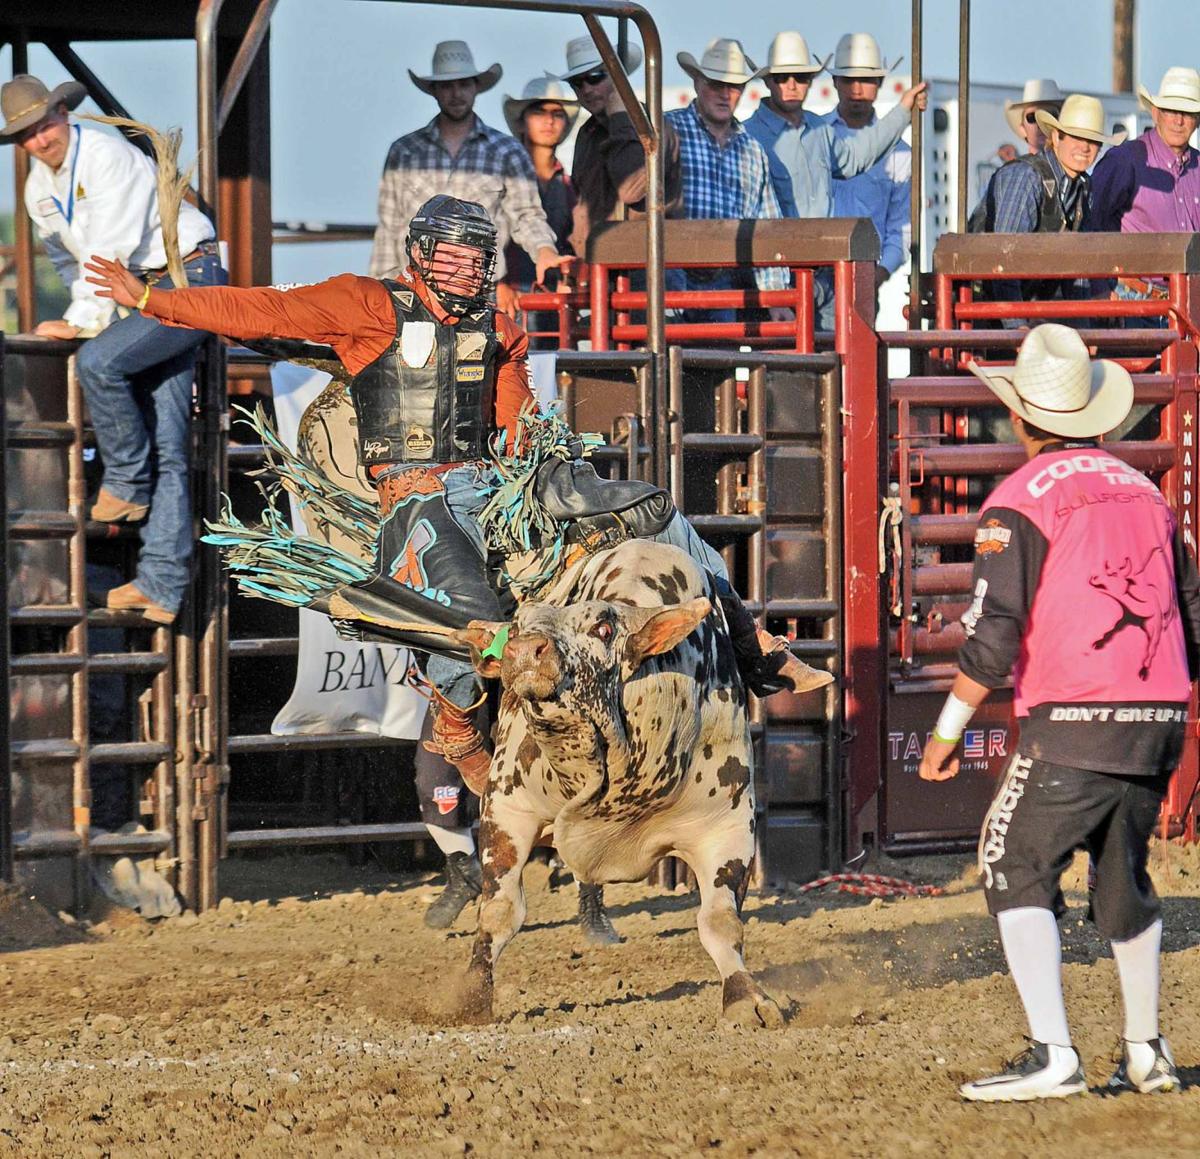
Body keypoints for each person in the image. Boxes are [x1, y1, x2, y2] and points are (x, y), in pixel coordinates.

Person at [84, 196, 832, 924]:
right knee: (473, 622)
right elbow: (257, 312)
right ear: (419, 256)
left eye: (478, 255)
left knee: (651, 507)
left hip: (493, 488)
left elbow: (514, 420)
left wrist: (546, 463)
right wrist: (151, 296)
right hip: (415, 498)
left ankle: (751, 642)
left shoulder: (498, 328)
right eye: (455, 254)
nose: (468, 267)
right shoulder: (365, 304)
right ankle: (468, 740)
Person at [920, 324, 1197, 1102]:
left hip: (1078, 712)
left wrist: (946, 732)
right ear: (1096, 416)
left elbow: (992, 636)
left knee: (1012, 857)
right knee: (1121, 872)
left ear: (1021, 418)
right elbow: (1192, 608)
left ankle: (1054, 1051)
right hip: (1160, 711)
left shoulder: (1018, 503)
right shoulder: (1146, 491)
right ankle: (1146, 1048)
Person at [2, 73, 225, 625]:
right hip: (150, 291)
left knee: (99, 363)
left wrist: (81, 322)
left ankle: (125, 480)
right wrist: (88, 312)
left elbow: (107, 251)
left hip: (185, 279)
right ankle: (162, 583)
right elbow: (65, 258)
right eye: (25, 135)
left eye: (43, 124)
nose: (38, 140)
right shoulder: (38, 189)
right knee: (170, 441)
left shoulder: (105, 155)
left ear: (61, 114)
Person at [367, 40, 569, 318]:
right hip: (415, 295)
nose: (456, 93)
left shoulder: (507, 152)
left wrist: (544, 250)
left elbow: (527, 216)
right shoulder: (404, 152)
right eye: (448, 86)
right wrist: (379, 292)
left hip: (481, 295)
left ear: (476, 87)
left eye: (463, 84)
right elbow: (389, 230)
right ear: (435, 91)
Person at [743, 31, 926, 328]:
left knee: (840, 363)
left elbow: (856, 158)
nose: (792, 85)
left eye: (801, 77)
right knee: (791, 366)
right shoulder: (750, 136)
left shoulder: (820, 129)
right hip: (781, 272)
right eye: (782, 77)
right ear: (768, 81)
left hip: (832, 272)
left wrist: (903, 111)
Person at [666, 38, 790, 325]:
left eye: (734, 86)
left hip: (723, 282)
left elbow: (765, 223)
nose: (725, 94)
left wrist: (776, 296)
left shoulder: (752, 149)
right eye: (715, 84)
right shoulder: (669, 130)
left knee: (720, 363)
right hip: (671, 276)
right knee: (669, 364)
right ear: (697, 84)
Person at [970, 94, 1121, 324]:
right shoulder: (1026, 177)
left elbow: (1077, 265)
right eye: (1076, 137)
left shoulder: (1083, 188)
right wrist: (1015, 327)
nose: (1084, 147)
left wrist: (1085, 320)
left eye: (1092, 140)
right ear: (1056, 137)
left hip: (1022, 309)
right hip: (984, 313)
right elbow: (1003, 258)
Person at [561, 35, 682, 257]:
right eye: (577, 83)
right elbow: (582, 205)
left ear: (619, 79)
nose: (586, 89)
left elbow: (632, 190)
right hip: (599, 266)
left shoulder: (652, 124)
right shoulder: (587, 134)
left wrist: (619, 113)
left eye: (595, 77)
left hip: (644, 265)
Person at [1089, 67, 1200, 310]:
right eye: (1171, 111)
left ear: (1197, 119)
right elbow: (1093, 222)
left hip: (1190, 301)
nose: (1178, 121)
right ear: (1156, 112)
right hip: (1134, 296)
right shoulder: (1125, 160)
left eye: (1188, 113)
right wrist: (1100, 290)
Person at [827, 33, 912, 297]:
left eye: (865, 80)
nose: (856, 89)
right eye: (849, 79)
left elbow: (902, 227)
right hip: (815, 269)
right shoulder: (815, 137)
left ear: (879, 83)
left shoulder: (900, 153)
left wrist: (878, 274)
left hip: (865, 273)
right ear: (835, 82)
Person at [500, 75, 579, 347]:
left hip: (553, 294)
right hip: (509, 294)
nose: (549, 121)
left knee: (553, 374)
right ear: (523, 120)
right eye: (540, 112)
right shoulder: (501, 176)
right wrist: (498, 284)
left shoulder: (567, 182)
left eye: (557, 114)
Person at [1004, 79, 1065, 156]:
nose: (1040, 124)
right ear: (1022, 129)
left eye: (1049, 115)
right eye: (1032, 117)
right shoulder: (1014, 168)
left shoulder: (1075, 166)